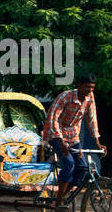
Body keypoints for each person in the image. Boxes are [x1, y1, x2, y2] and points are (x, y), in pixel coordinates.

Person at [44, 75, 106, 205]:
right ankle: (59, 201)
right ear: (79, 86)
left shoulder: (90, 98)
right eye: (87, 87)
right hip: (56, 134)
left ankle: (60, 197)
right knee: (69, 164)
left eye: (92, 88)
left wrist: (98, 143)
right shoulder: (65, 97)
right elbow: (52, 118)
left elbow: (92, 119)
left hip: (73, 136)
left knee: (83, 168)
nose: (90, 90)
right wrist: (61, 143)